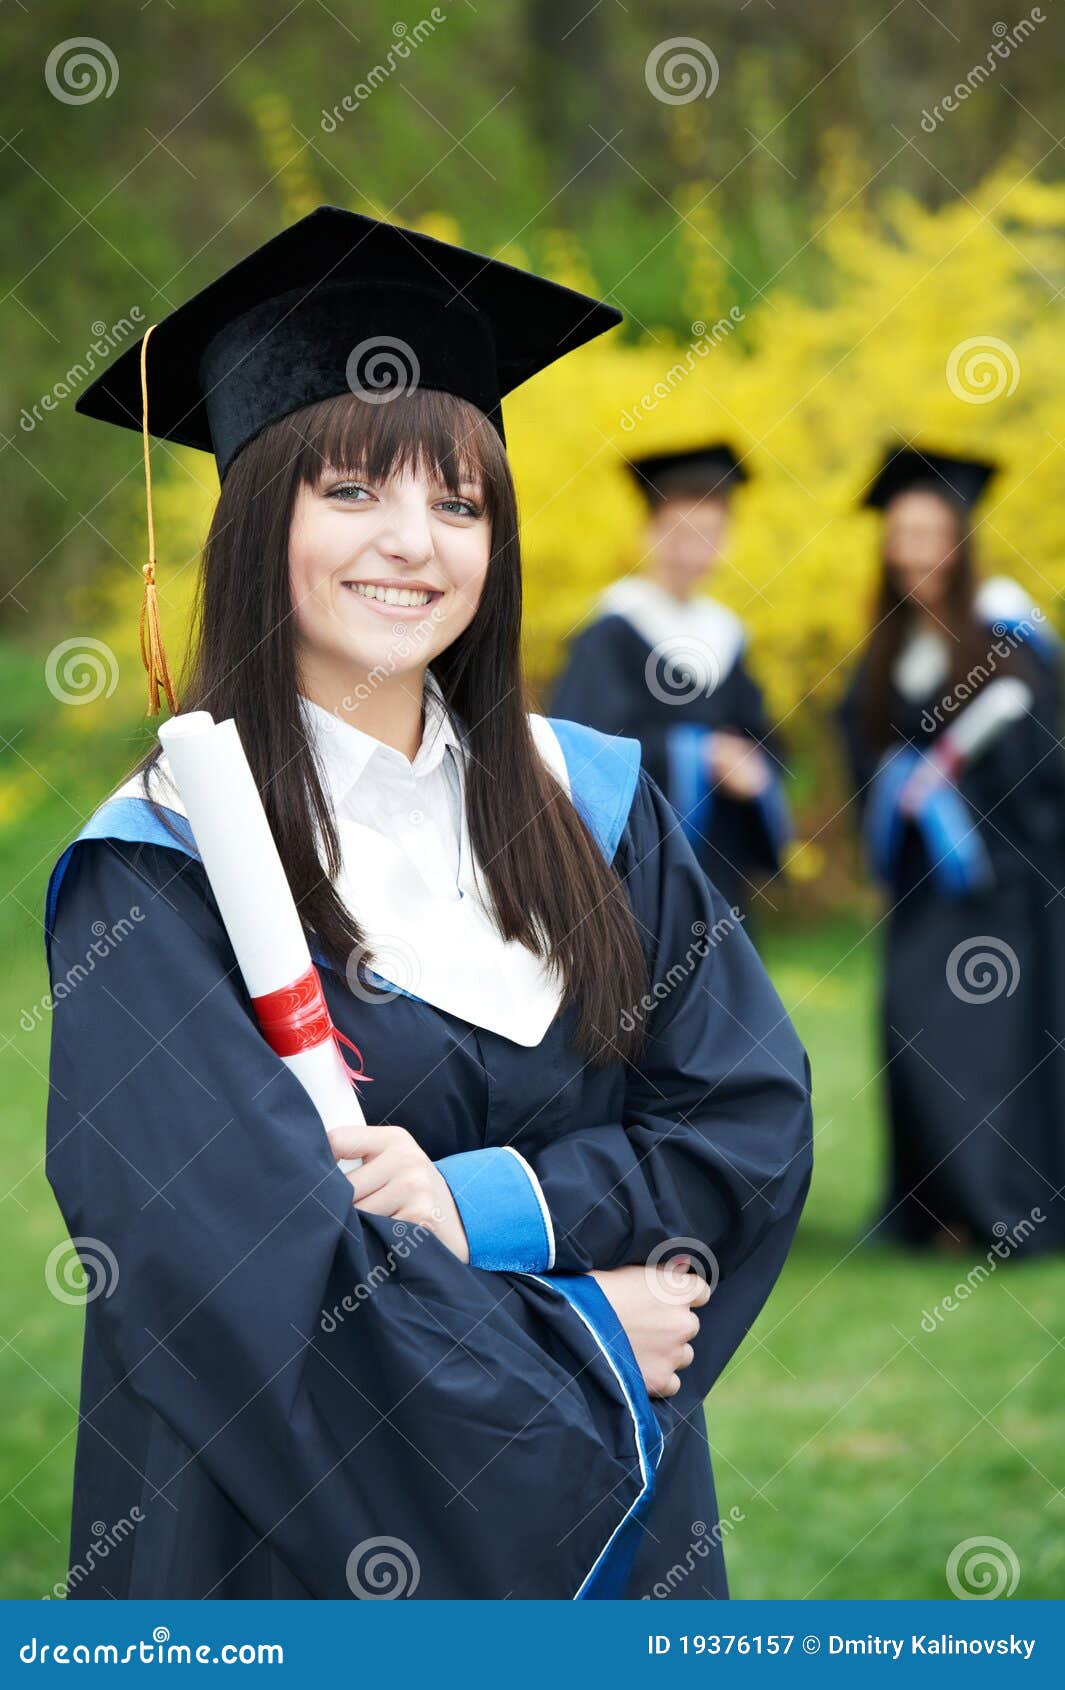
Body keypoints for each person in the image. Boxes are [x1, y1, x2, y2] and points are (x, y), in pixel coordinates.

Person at [43, 206, 812, 1601]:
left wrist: (486, 1206)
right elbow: (235, 1291)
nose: (416, 542)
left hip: (624, 1553)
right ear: (255, 509)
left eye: (459, 501)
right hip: (284, 1556)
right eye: (352, 491)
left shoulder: (592, 805)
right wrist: (585, 1332)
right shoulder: (159, 868)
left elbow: (744, 1124)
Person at [838, 444, 1065, 1258]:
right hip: (919, 891)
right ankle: (932, 1212)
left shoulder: (1009, 637)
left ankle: (997, 1212)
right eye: (901, 533)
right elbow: (860, 744)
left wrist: (961, 782)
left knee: (984, 1053)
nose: (913, 550)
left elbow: (1045, 760)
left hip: (999, 888)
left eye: (930, 532)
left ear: (960, 542)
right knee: (911, 1035)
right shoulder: (894, 644)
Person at [549, 444, 791, 926]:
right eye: (681, 534)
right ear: (650, 533)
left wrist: (751, 763)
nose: (694, 552)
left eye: (710, 535)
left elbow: (764, 738)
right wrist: (698, 754)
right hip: (634, 866)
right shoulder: (611, 631)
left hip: (719, 868)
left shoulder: (726, 635)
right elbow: (584, 748)